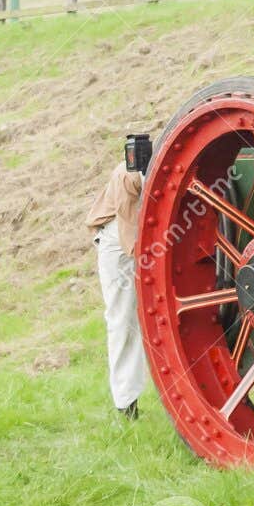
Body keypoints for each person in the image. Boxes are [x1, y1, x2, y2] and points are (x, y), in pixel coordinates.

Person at [85, 162, 146, 420]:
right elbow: (127, 228)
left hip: (143, 235)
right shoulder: (129, 174)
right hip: (116, 239)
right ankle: (125, 402)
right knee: (122, 318)